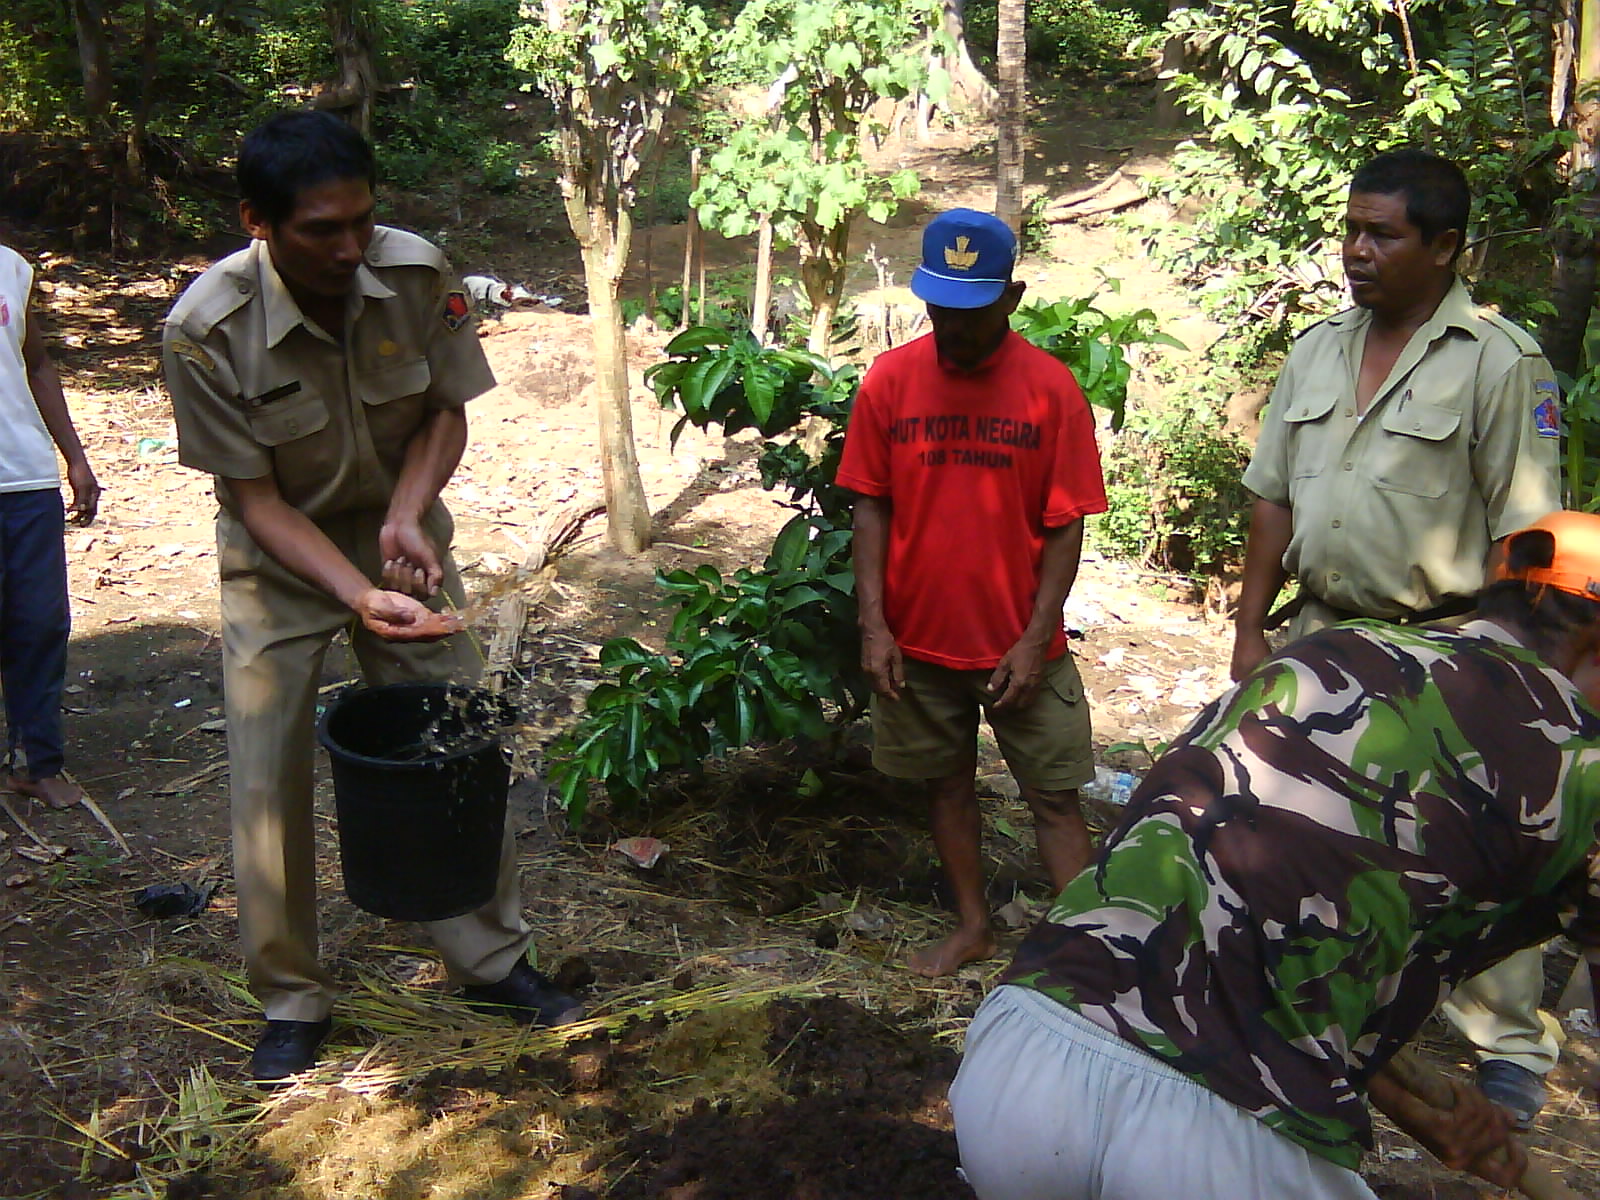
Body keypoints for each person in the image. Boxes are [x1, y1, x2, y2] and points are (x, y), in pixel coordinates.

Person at [949, 510, 1600, 1200]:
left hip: (1018, 1061)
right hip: (1221, 1138)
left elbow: (1258, 938)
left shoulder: (1327, 656)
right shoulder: (1583, 761)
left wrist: (1421, 1107)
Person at [162, 111, 578, 1082]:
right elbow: (254, 499)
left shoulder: (416, 274)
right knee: (268, 778)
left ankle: (489, 961)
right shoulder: (205, 329)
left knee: (456, 743)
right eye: (321, 230)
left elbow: (443, 412)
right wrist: (353, 590)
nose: (350, 247)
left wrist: (406, 511)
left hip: (404, 547)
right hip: (281, 562)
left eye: (362, 220)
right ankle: (294, 1000)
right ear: (256, 222)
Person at [1230, 147, 1563, 1125]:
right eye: (1351, 228)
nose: (1355, 250)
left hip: (1443, 642)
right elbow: (1270, 499)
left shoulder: (1500, 365)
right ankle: (1301, 1005)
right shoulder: (1318, 349)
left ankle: (1505, 1053)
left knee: (1470, 843)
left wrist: (1505, 679)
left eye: (1382, 234)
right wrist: (1250, 631)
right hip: (1321, 634)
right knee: (1285, 823)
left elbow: (1529, 535)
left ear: (1446, 246)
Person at [836, 208, 1107, 978]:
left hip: (1023, 645)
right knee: (947, 788)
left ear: (1012, 298)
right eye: (940, 309)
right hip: (918, 641)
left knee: (1054, 798)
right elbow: (871, 503)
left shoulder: (1050, 391)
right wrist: (874, 625)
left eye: (973, 310)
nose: (952, 326)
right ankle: (973, 927)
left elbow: (1065, 528)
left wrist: (1033, 637)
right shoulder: (891, 381)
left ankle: (1096, 961)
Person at [0, 239, 99, 810]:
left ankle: (36, 762)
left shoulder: (10, 268)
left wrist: (75, 457)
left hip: (26, 481)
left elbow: (35, 363)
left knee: (39, 625)